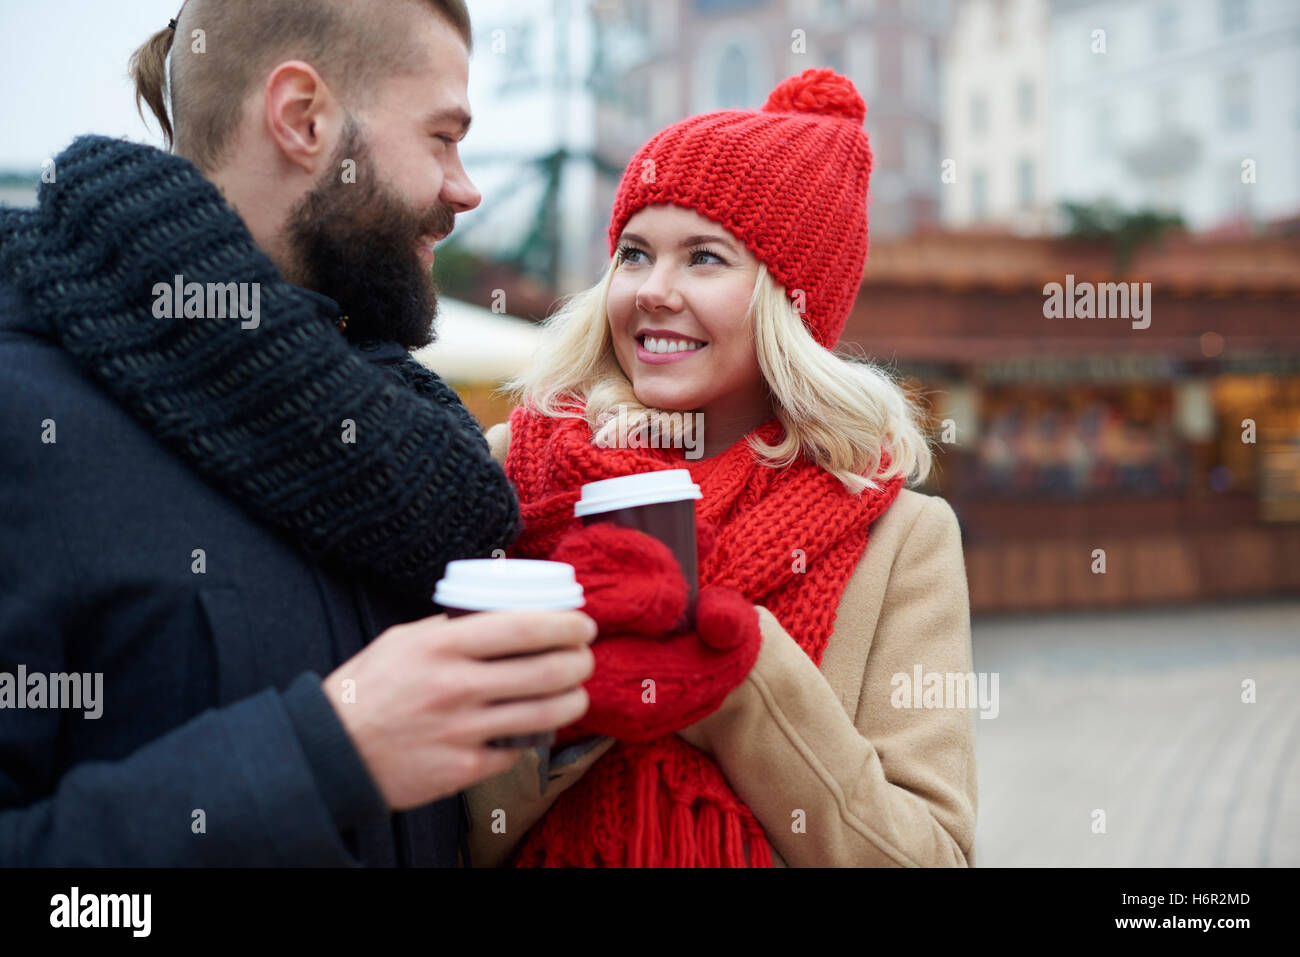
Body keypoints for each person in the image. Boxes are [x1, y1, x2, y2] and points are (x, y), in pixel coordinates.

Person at [0, 0, 596, 866]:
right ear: (303, 118)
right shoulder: (25, 418)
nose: (466, 187)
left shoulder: (409, 453)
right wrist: (323, 754)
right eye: (442, 138)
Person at [467, 69, 979, 867]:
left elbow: (930, 856)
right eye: (634, 254)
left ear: (789, 303)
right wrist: (577, 705)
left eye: (705, 258)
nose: (654, 291)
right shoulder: (512, 469)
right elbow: (421, 829)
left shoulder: (903, 538)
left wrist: (741, 674)